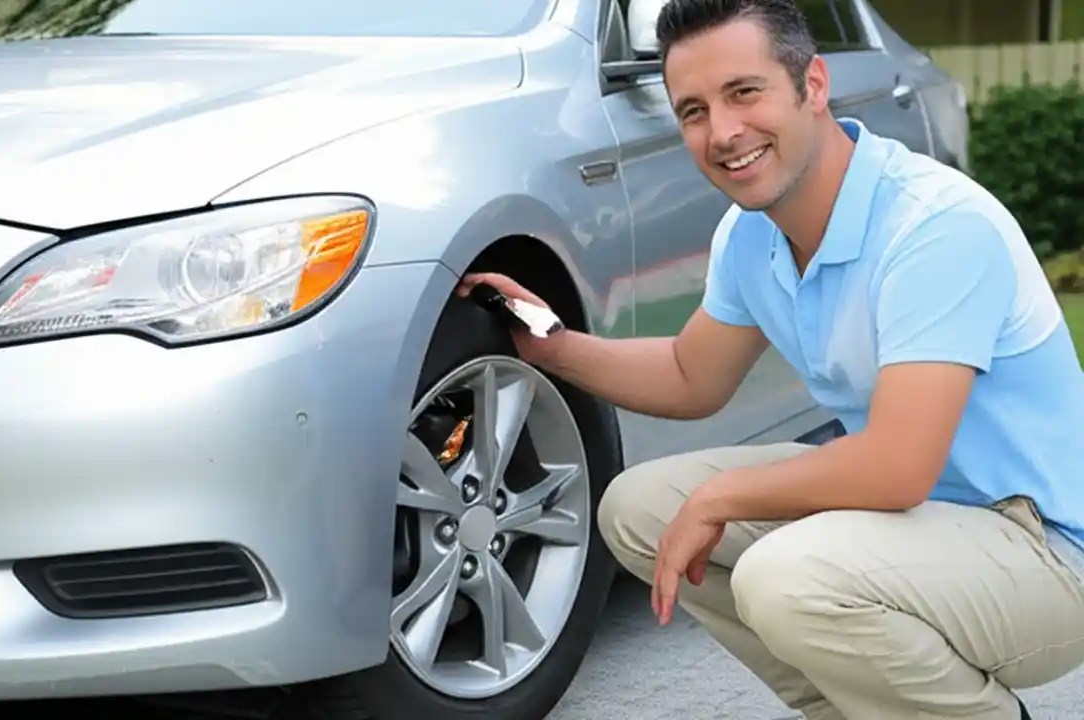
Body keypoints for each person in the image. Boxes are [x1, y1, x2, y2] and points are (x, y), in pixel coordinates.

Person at [456, 0, 1084, 718]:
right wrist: (555, 347)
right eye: (692, 111)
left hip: (1043, 552)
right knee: (639, 510)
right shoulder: (752, 235)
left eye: (744, 93)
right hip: (913, 523)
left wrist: (720, 499)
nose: (723, 133)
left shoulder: (934, 227)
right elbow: (693, 375)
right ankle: (852, 707)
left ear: (812, 85)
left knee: (786, 580)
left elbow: (898, 464)